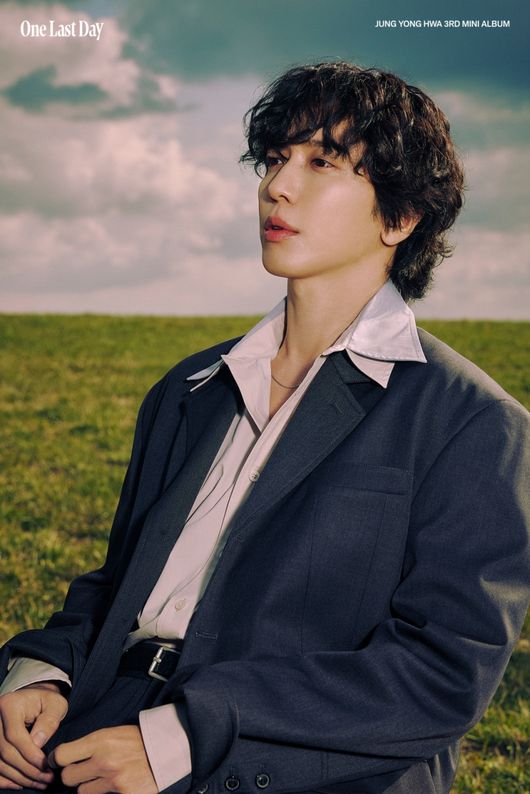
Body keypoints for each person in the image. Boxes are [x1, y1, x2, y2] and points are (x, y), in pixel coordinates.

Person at [0, 61, 528, 794]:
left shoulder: (476, 424)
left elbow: (438, 676)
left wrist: (181, 739)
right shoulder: (188, 389)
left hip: (280, 764)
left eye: (322, 162)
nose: (277, 186)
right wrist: (41, 671)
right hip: (100, 724)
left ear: (400, 217)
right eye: (276, 158)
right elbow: (117, 586)